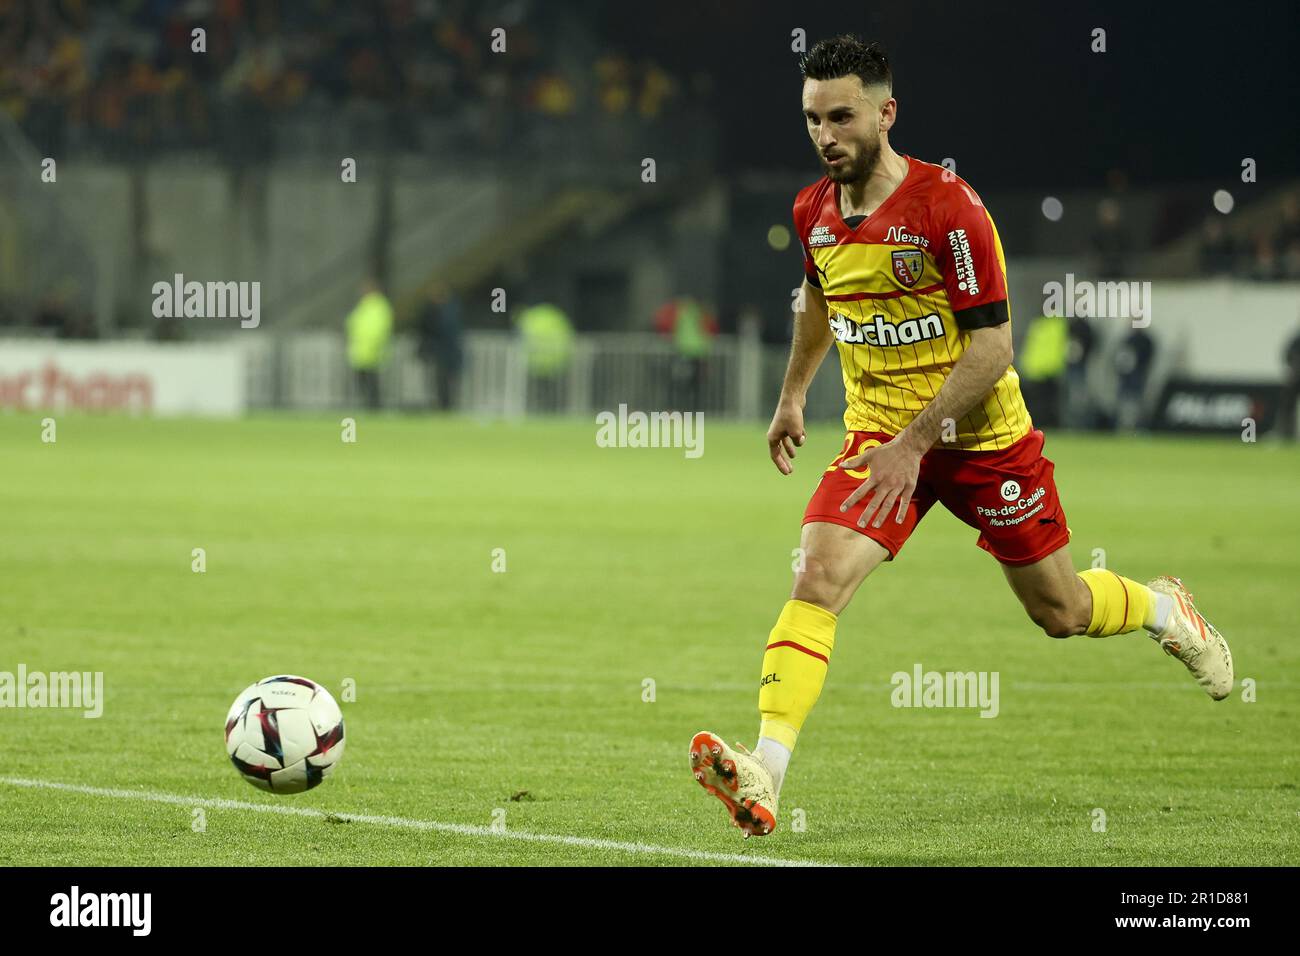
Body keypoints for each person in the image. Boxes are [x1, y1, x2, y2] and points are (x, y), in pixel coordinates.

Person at [688, 36, 1234, 839]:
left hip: (981, 439)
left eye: (841, 116)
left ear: (887, 112)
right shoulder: (812, 211)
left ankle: (1163, 609)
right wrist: (793, 395)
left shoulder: (950, 208)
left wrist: (918, 444)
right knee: (818, 576)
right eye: (812, 119)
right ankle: (767, 769)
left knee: (1061, 610)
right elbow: (815, 306)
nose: (825, 134)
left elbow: (993, 349)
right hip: (878, 435)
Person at [346, 276, 394, 410]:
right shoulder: (364, 306)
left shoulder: (379, 306)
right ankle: (368, 406)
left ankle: (374, 407)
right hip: (360, 350)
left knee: (373, 382)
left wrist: (377, 343)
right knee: (363, 382)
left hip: (373, 349)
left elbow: (381, 327)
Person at [416, 281, 464, 411]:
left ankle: (446, 406)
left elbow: (441, 331)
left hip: (447, 352)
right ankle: (444, 405)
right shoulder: (448, 309)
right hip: (445, 351)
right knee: (442, 381)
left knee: (445, 381)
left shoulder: (446, 311)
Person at [1114, 326, 1156, 432]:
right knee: (1123, 404)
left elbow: (1148, 358)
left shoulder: (1145, 340)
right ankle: (1124, 427)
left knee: (1136, 404)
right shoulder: (1127, 339)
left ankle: (1134, 428)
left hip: (1137, 378)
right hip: (1125, 378)